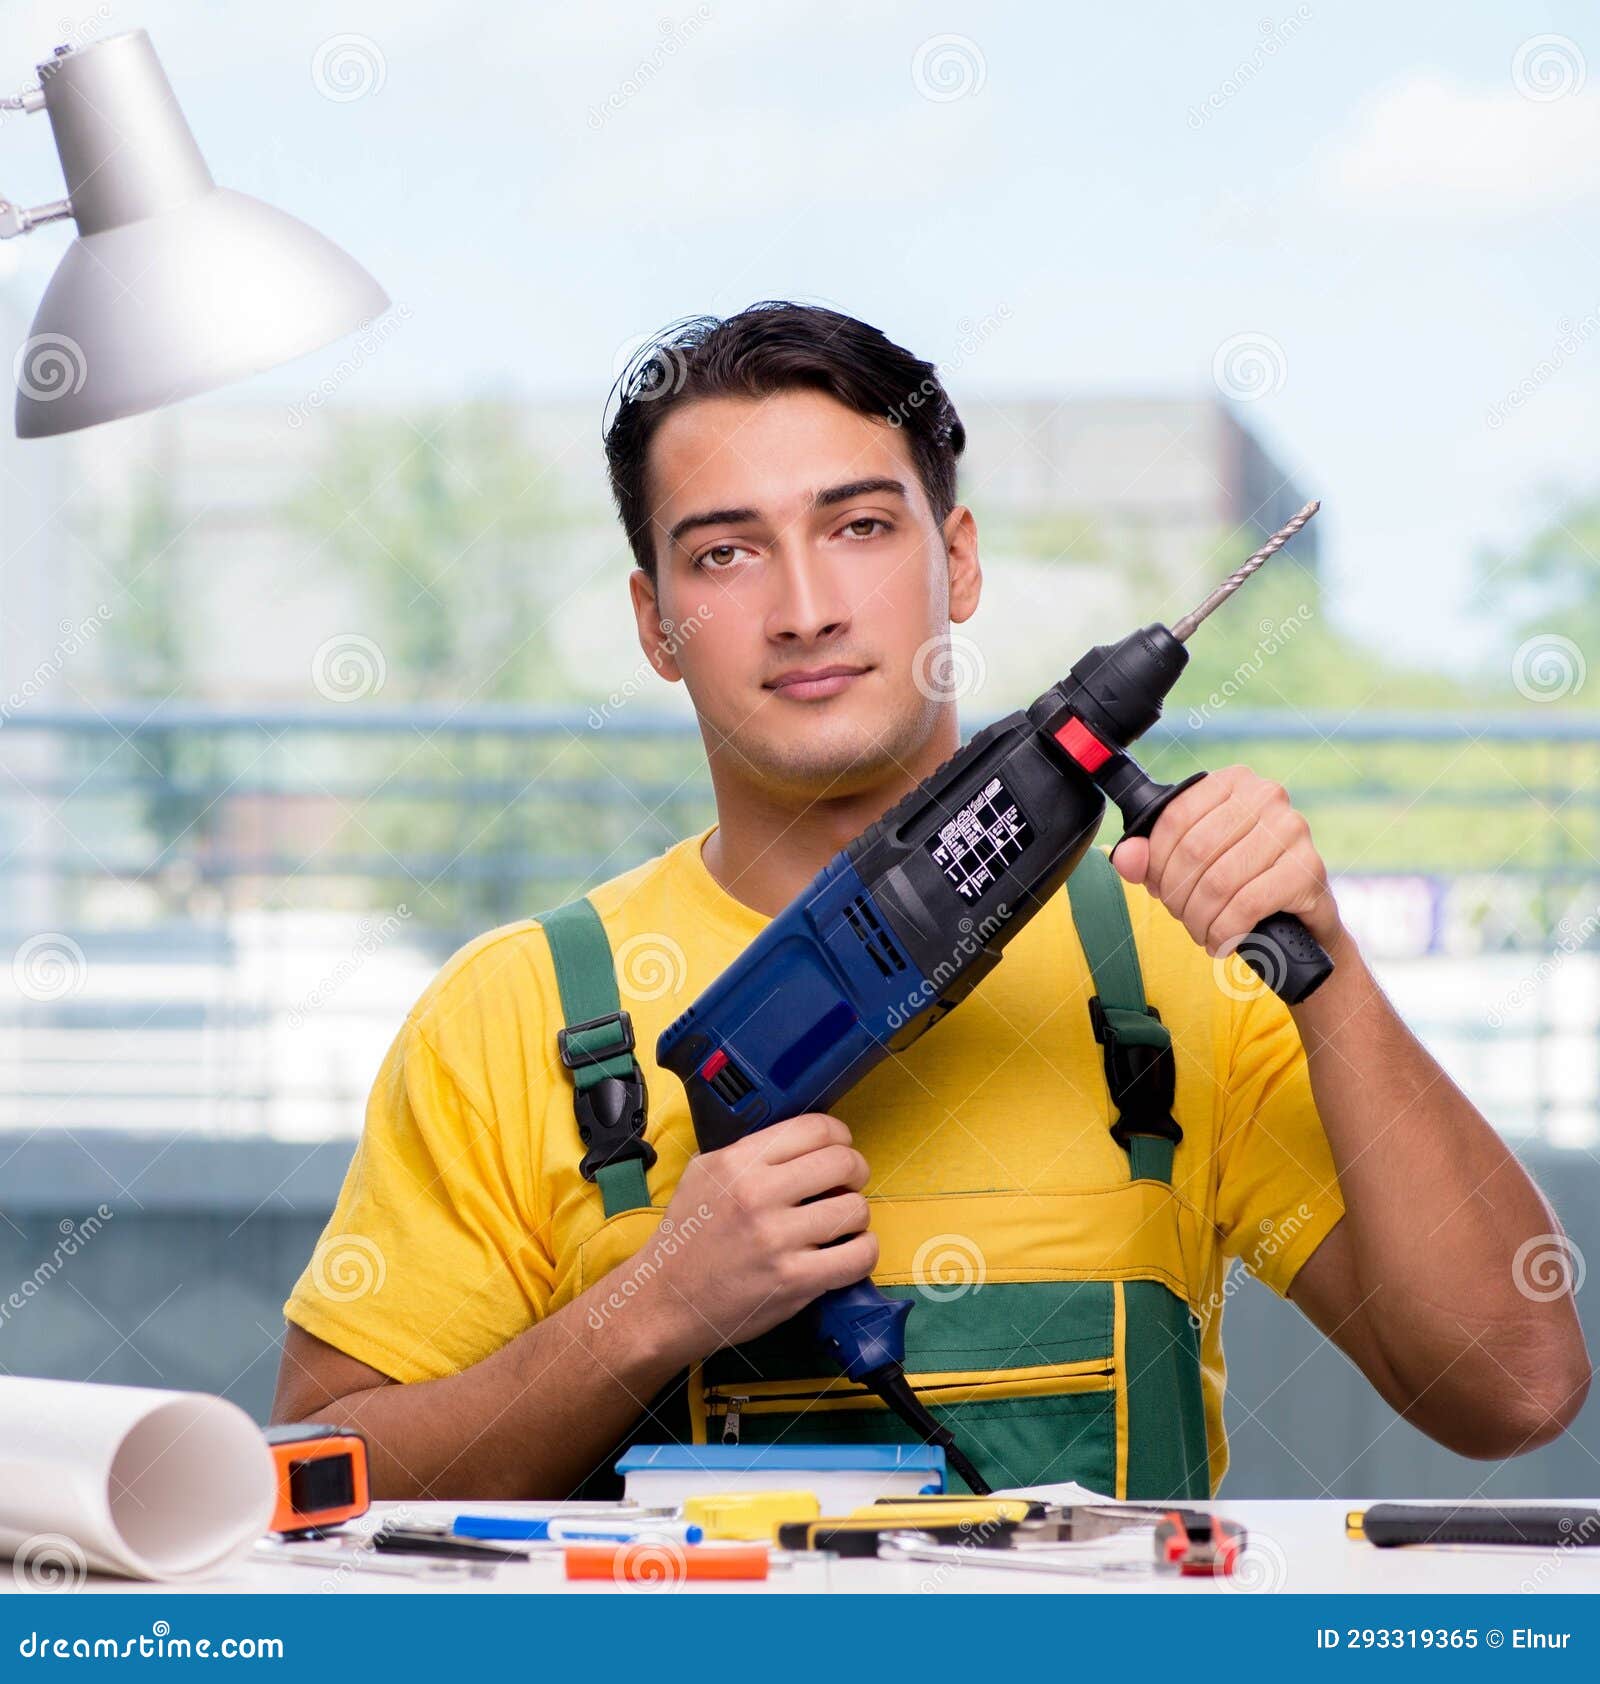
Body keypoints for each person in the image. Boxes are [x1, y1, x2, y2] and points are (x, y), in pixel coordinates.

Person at [271, 301, 1589, 1499]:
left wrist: (1330, 971)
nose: (803, 608)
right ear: (656, 622)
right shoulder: (513, 1020)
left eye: (859, 528)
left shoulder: (1180, 971)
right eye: (726, 554)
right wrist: (654, 1309)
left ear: (955, 562)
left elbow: (1513, 1389)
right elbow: (310, 1486)